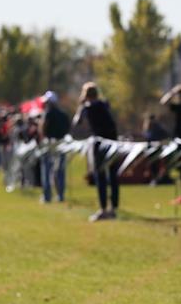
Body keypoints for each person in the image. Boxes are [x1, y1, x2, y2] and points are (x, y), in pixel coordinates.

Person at [78, 82, 120, 221]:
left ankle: (103, 209)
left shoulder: (88, 107)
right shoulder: (104, 105)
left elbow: (77, 122)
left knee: (100, 176)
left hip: (100, 142)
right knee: (112, 175)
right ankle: (113, 209)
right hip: (113, 142)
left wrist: (80, 106)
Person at [39, 90, 71, 203]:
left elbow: (43, 128)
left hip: (49, 144)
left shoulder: (48, 113)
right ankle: (60, 195)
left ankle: (47, 196)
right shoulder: (63, 114)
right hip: (62, 144)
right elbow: (68, 129)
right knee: (60, 170)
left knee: (47, 169)